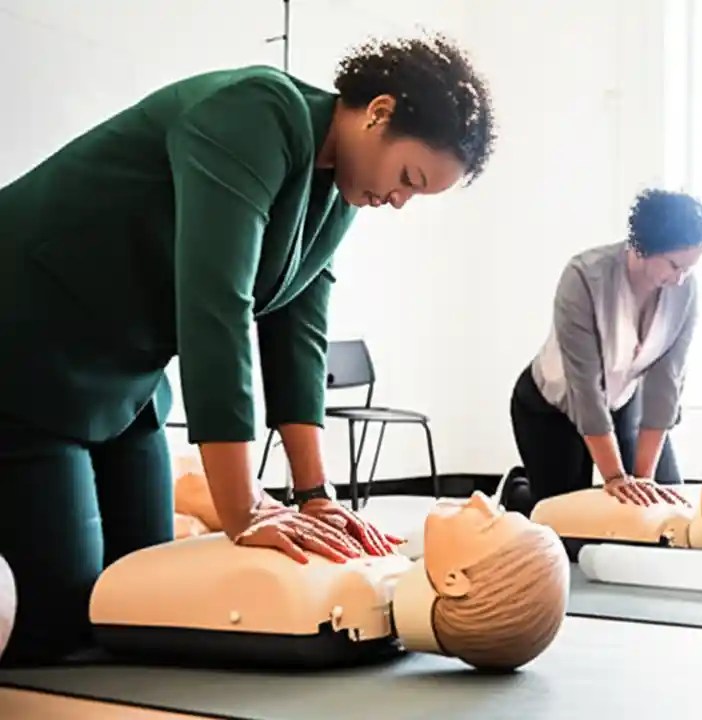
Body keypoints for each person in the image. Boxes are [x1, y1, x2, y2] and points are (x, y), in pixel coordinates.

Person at [0, 34, 496, 665]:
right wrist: (243, 507)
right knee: (56, 619)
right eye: (407, 178)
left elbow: (298, 337)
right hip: (28, 343)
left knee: (133, 598)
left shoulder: (335, 195)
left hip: (126, 380)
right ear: (378, 113)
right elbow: (216, 305)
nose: (399, 200)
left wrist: (314, 494)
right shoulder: (254, 113)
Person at [510, 189, 702, 509]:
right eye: (674, 265)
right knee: (565, 522)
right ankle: (517, 493)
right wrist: (617, 478)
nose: (680, 279)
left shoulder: (685, 291)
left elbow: (666, 384)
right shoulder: (584, 276)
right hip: (552, 406)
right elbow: (585, 388)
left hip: (621, 402)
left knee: (666, 505)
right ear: (645, 245)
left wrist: (643, 482)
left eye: (688, 268)